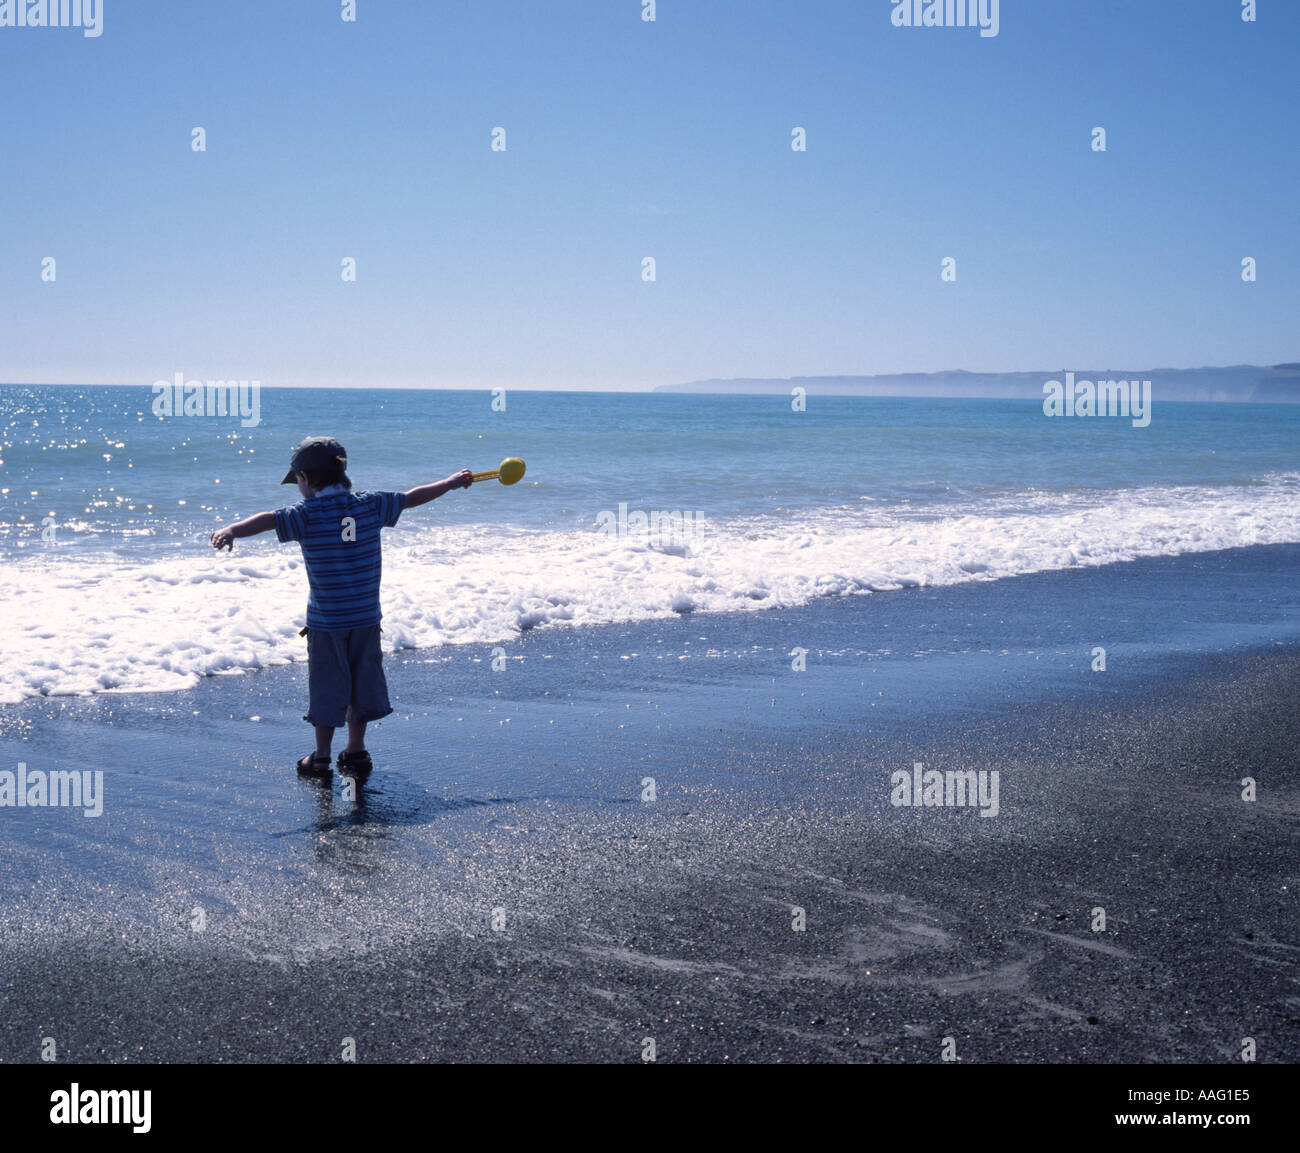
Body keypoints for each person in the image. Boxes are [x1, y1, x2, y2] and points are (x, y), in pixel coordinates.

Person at [210, 436, 472, 776]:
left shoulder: (306, 514)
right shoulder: (371, 504)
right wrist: (450, 483)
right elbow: (411, 497)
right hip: (365, 617)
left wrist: (231, 530)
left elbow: (268, 519)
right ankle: (356, 750)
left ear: (304, 477)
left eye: (297, 482)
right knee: (361, 681)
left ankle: (321, 756)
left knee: (328, 684)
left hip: (327, 621)